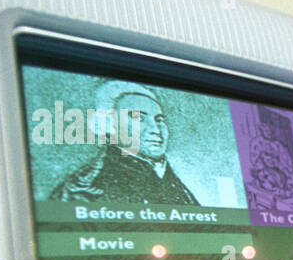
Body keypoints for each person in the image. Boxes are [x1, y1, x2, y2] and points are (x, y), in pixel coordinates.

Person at [50, 81, 199, 206]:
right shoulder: (83, 189)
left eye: (159, 120)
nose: (156, 130)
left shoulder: (173, 182)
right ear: (108, 124)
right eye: (138, 118)